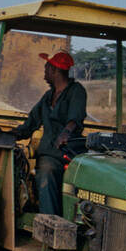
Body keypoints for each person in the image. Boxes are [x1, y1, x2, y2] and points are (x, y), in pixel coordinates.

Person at [12, 51, 87, 216]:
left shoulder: (76, 92)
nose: (44, 72)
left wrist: (66, 132)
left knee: (46, 172)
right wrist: (9, 135)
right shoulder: (48, 97)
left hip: (66, 153)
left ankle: (51, 226)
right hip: (48, 153)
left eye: (46, 68)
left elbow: (75, 118)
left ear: (54, 70)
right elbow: (30, 124)